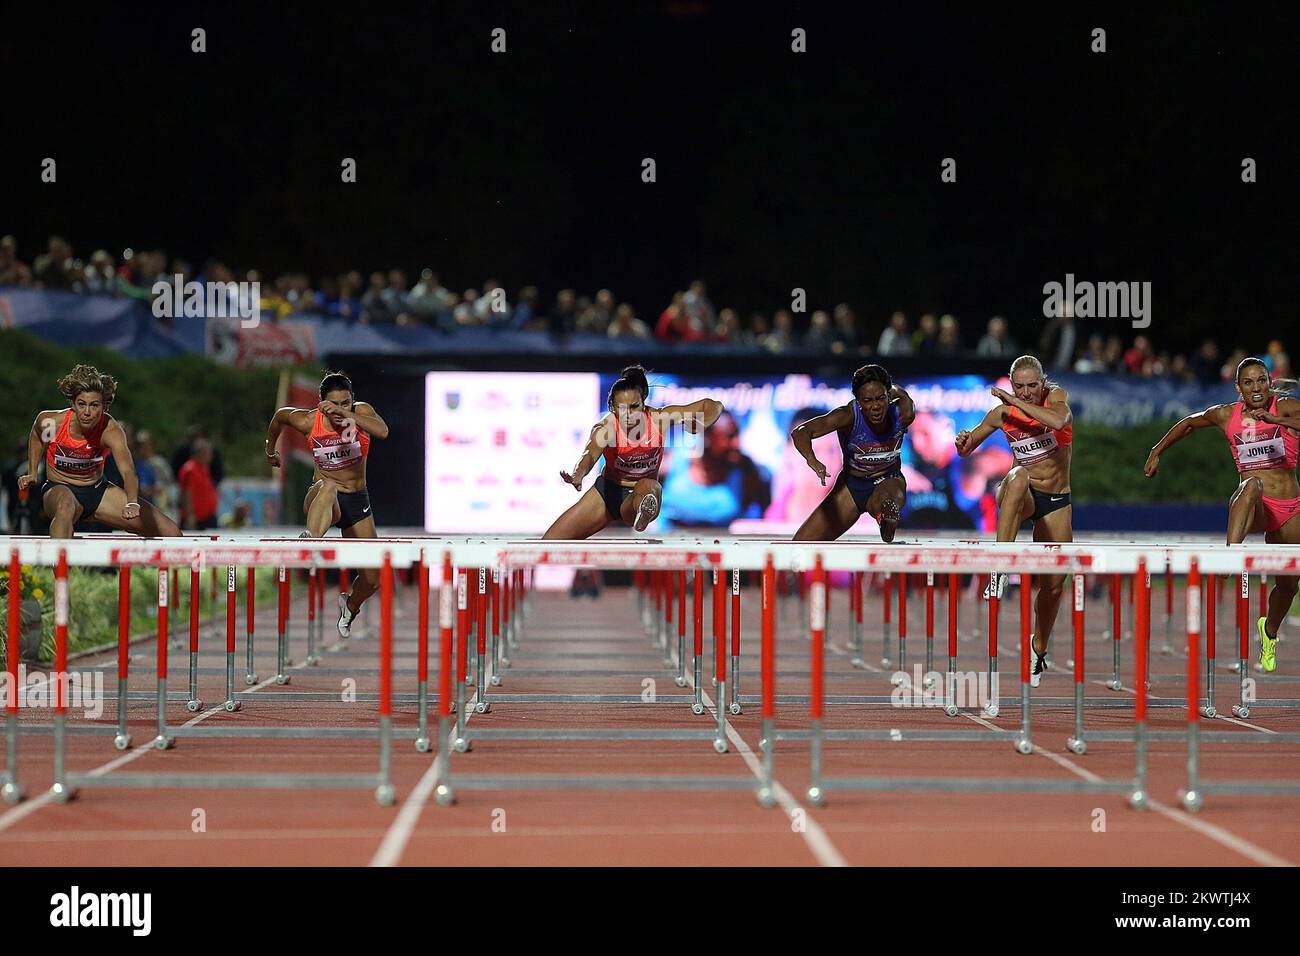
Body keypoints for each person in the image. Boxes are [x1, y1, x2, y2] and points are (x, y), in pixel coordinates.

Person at [1145, 357, 1300, 673]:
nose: (1256, 387)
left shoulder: (1285, 407)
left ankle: (1269, 633)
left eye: (1261, 380)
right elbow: (1188, 422)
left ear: (1269, 381)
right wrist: (1157, 450)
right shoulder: (1226, 414)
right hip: (1252, 506)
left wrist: (1274, 419)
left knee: (1289, 587)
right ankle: (1230, 559)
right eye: (1248, 382)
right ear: (1238, 387)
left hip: (1289, 508)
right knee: (1251, 484)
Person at [955, 355, 1073, 686]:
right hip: (1019, 495)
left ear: (1042, 383)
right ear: (1011, 384)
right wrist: (963, 443)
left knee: (1052, 586)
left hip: (1056, 500)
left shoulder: (1056, 399)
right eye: (1018, 387)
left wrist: (1013, 401)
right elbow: (968, 447)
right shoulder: (1002, 414)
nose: (1025, 392)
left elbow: (1060, 421)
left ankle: (1039, 648)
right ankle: (1000, 565)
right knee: (1018, 474)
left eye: (1031, 386)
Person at [265, 371, 390, 637]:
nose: (340, 409)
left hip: (357, 501)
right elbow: (279, 417)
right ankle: (310, 543)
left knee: (372, 580)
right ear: (321, 404)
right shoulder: (310, 421)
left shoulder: (361, 412)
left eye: (346, 403)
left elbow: (383, 431)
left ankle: (350, 606)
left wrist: (347, 414)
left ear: (352, 401)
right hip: (323, 496)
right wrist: (270, 450)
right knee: (329, 485)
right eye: (333, 404)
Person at [543, 365, 724, 539]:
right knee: (549, 543)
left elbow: (713, 406)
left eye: (634, 407)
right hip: (606, 494)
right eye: (622, 408)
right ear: (612, 407)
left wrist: (702, 423)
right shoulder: (606, 428)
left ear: (643, 404)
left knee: (647, 486)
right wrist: (578, 474)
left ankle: (644, 512)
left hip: (643, 494)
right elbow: (589, 455)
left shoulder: (660, 419)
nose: (629, 414)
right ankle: (641, 510)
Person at [18, 365, 181, 539]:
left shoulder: (110, 431)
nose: (87, 412)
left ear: (104, 407)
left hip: (98, 492)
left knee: (171, 533)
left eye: (94, 405)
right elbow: (36, 437)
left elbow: (128, 471)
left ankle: (156, 566)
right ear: (73, 404)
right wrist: (33, 472)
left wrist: (132, 502)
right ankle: (60, 566)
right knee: (65, 506)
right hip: (59, 489)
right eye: (82, 404)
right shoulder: (51, 423)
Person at [790, 364, 915, 543]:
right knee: (799, 545)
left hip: (888, 479)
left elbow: (900, 394)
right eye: (867, 401)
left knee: (887, 500)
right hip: (851, 487)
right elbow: (800, 432)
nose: (875, 407)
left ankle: (884, 516)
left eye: (880, 399)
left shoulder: (903, 412)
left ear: (889, 396)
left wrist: (891, 391)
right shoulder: (847, 416)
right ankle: (882, 513)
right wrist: (813, 460)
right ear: (858, 401)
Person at [659, 411, 770, 528]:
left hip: (725, 544)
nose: (737, 443)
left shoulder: (746, 472)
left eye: (737, 435)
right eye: (730, 436)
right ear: (708, 438)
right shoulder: (674, 464)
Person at [177, 440, 220, 531]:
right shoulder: (190, 469)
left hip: (208, 517)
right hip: (196, 519)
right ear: (198, 453)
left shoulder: (204, 467)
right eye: (206, 453)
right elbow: (187, 493)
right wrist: (190, 516)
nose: (210, 456)